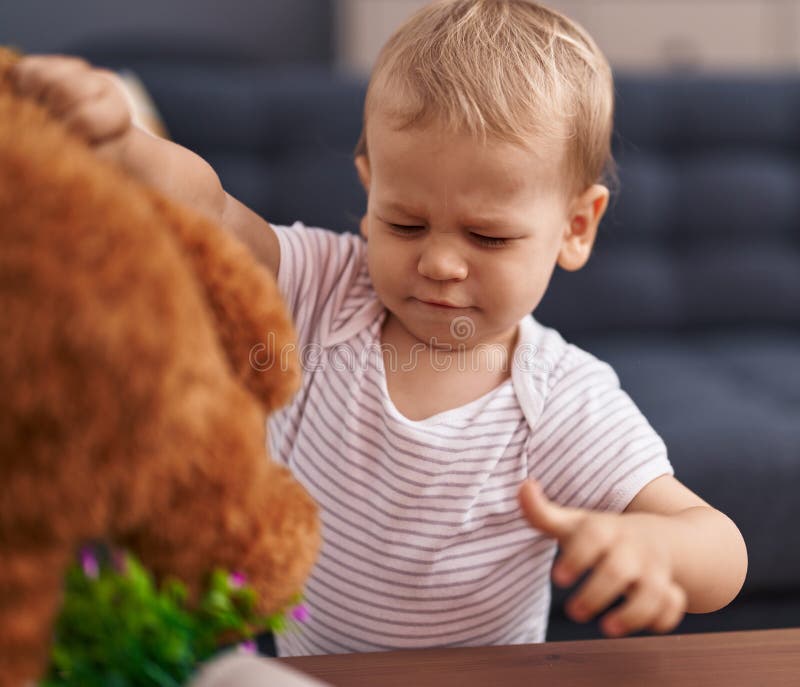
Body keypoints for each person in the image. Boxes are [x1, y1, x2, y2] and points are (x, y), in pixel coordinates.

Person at [12, 0, 747, 657]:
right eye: (405, 222)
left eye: (487, 238)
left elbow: (721, 547)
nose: (439, 263)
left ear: (576, 227)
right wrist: (120, 145)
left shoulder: (558, 401)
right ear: (370, 187)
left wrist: (654, 545)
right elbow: (207, 211)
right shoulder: (324, 289)